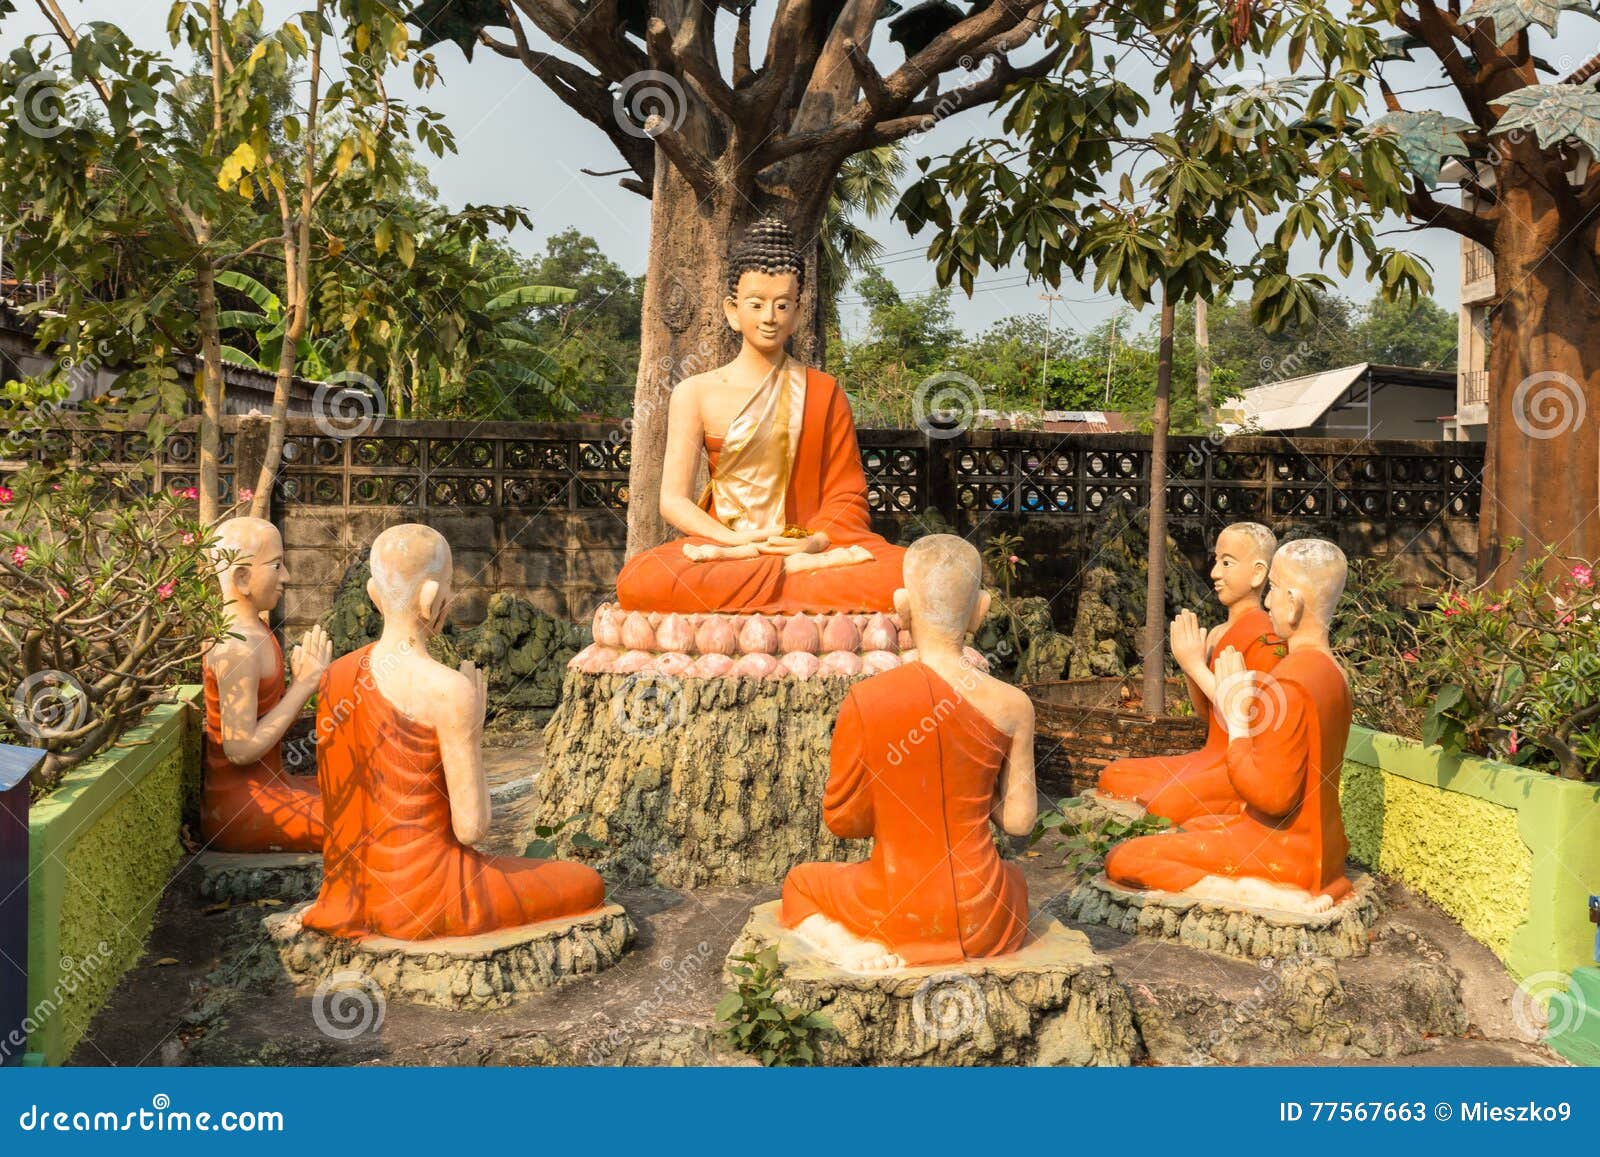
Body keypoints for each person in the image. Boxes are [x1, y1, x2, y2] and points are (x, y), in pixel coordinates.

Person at [302, 524, 605, 940]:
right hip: (433, 897)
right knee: (585, 881)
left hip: (354, 893)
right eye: (447, 588)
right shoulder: (449, 689)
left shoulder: (335, 676)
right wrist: (472, 732)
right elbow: (472, 830)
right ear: (431, 599)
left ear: (374, 594)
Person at [614, 218, 905, 615]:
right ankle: (796, 589)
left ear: (798, 313)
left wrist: (814, 543)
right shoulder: (695, 392)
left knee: (910, 571)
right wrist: (734, 543)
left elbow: (847, 498)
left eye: (782, 304)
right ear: (733, 311)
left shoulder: (823, 391)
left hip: (805, 549)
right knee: (643, 580)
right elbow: (673, 500)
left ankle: (791, 580)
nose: (770, 316)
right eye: (756, 303)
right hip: (727, 551)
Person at [780, 535, 1035, 970]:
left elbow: (844, 823)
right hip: (985, 916)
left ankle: (845, 944)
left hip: (894, 908)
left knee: (800, 884)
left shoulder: (868, 699)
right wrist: (974, 789)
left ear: (901, 606)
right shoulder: (1014, 705)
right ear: (981, 610)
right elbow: (1018, 821)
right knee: (1015, 881)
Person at [1104, 539, 1355, 915]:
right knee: (1197, 826)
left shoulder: (1290, 680)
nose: (1267, 603)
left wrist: (1238, 723)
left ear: (1294, 602)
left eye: (1272, 591)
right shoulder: (1334, 672)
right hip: (1325, 852)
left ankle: (1245, 892)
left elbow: (1272, 797)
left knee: (1125, 858)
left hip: (1284, 853)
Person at [1098, 522, 1284, 825]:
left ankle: (1225, 811)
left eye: (1227, 562)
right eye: (1216, 561)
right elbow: (1205, 717)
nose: (1214, 573)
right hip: (1209, 755)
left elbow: (1254, 723)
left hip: (1238, 765)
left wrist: (1197, 666)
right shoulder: (1217, 634)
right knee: (1114, 774)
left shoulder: (1267, 637)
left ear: (1258, 573)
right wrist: (1189, 665)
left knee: (1162, 804)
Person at [201, 517, 326, 853]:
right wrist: (304, 685)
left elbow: (268, 720)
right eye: (277, 565)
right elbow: (239, 750)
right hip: (242, 808)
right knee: (365, 819)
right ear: (242, 577)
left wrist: (305, 684)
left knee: (359, 793)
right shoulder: (236, 648)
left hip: (273, 787)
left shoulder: (256, 630)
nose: (286, 576)